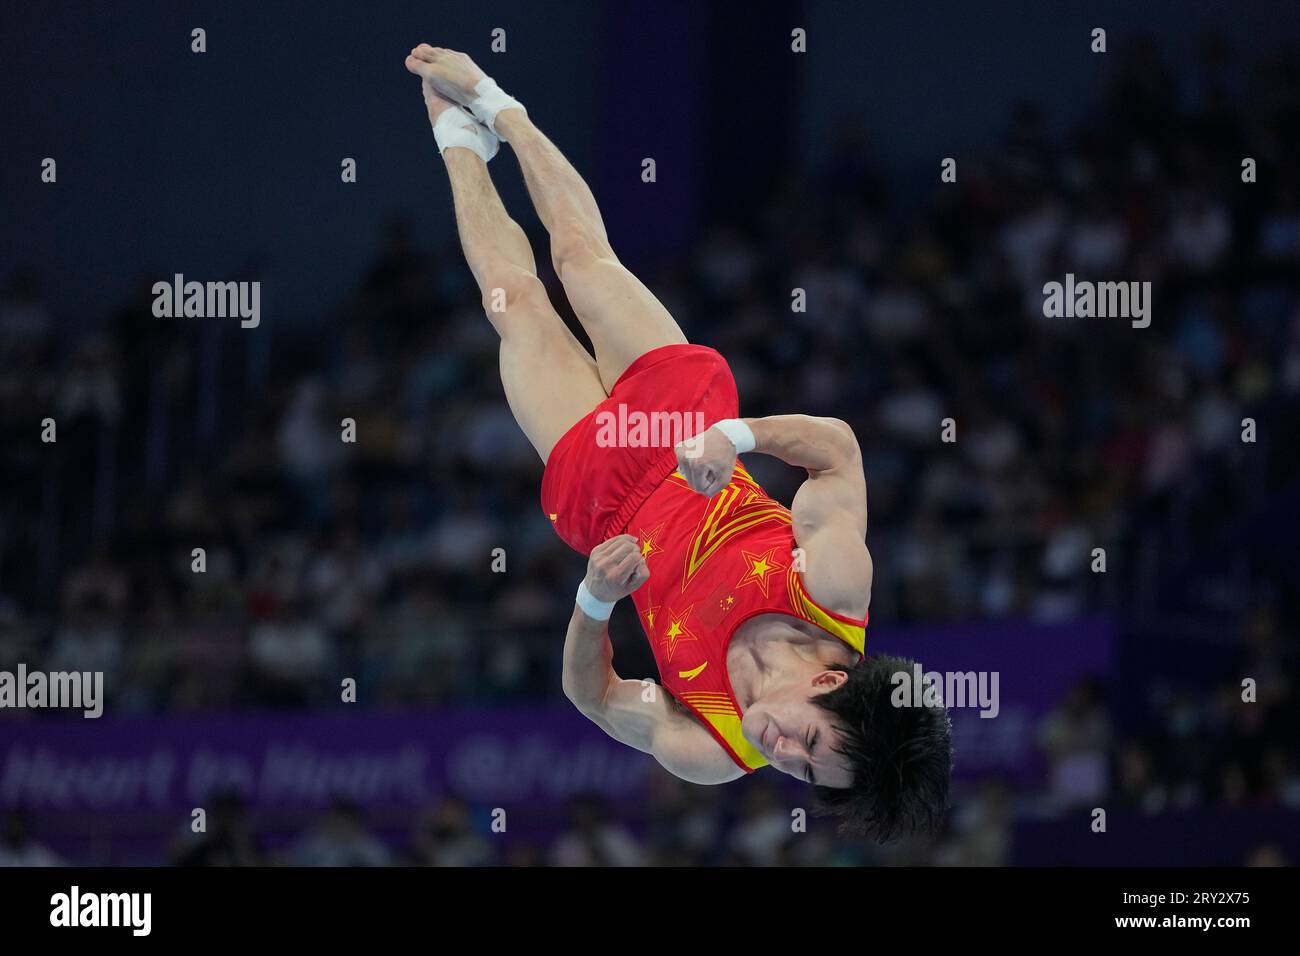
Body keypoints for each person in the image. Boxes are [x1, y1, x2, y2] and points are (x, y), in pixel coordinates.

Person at [405, 45, 951, 839]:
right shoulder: (833, 590)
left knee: (516, 304)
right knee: (583, 261)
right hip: (684, 430)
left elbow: (593, 698)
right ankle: (499, 106)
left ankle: (455, 139)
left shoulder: (714, 746)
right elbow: (836, 450)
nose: (780, 749)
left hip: (607, 506)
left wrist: (595, 600)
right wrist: (737, 437)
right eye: (808, 740)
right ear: (834, 679)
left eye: (799, 770)